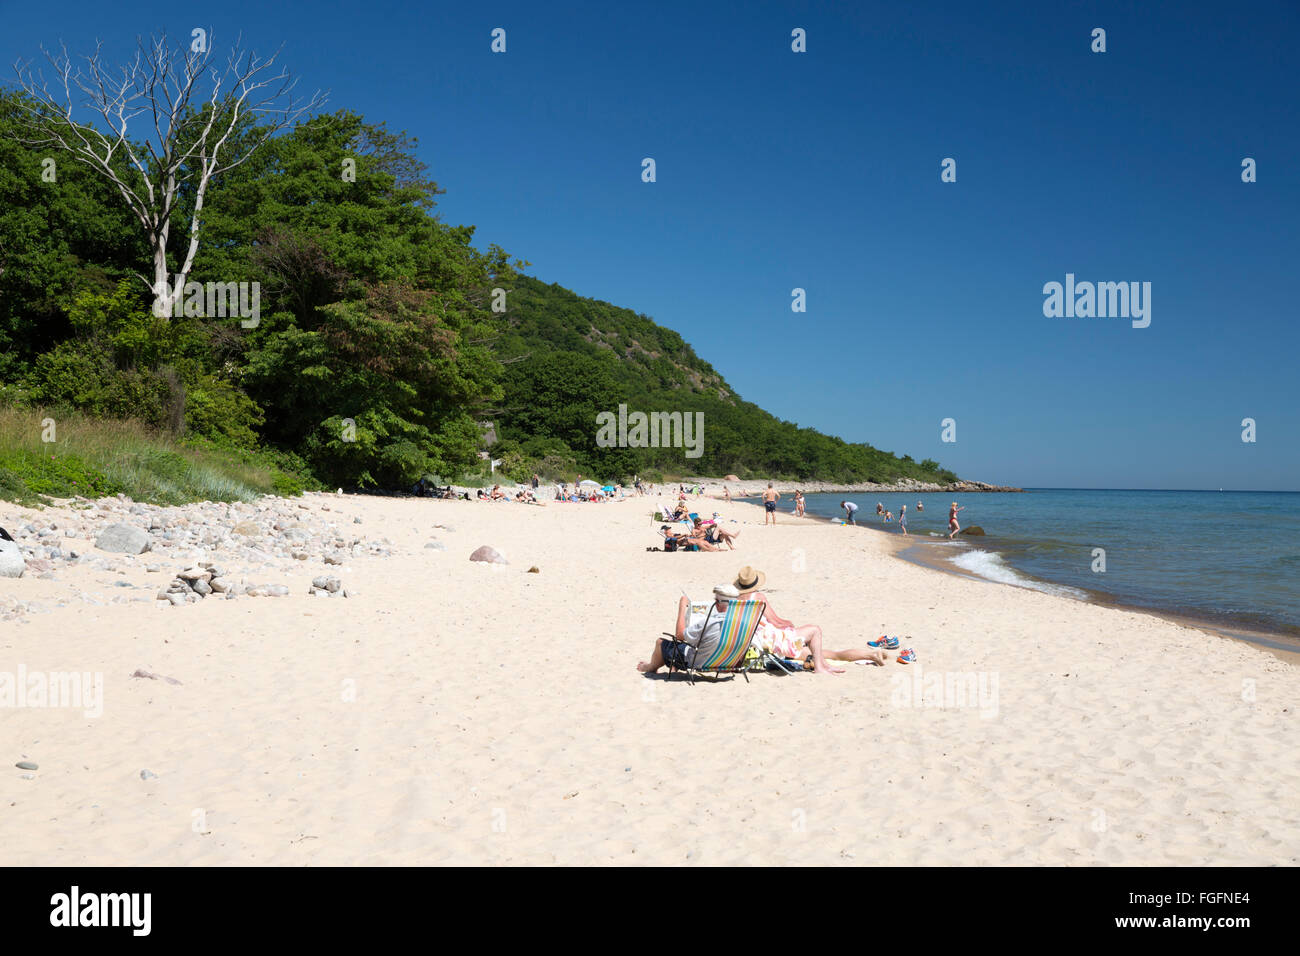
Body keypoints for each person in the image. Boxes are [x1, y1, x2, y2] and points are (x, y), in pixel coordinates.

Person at [732, 567, 897, 673]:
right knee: (818, 635)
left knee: (826, 654)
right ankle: (823, 666)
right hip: (771, 644)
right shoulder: (758, 597)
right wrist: (789, 624)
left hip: (751, 643)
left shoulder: (734, 601)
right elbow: (776, 622)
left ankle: (869, 655)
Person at [638, 585, 740, 673]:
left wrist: (682, 607)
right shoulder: (741, 622)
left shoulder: (710, 623)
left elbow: (679, 635)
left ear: (717, 602)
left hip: (698, 662)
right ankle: (673, 668)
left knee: (660, 643)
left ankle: (649, 667)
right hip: (725, 661)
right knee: (685, 645)